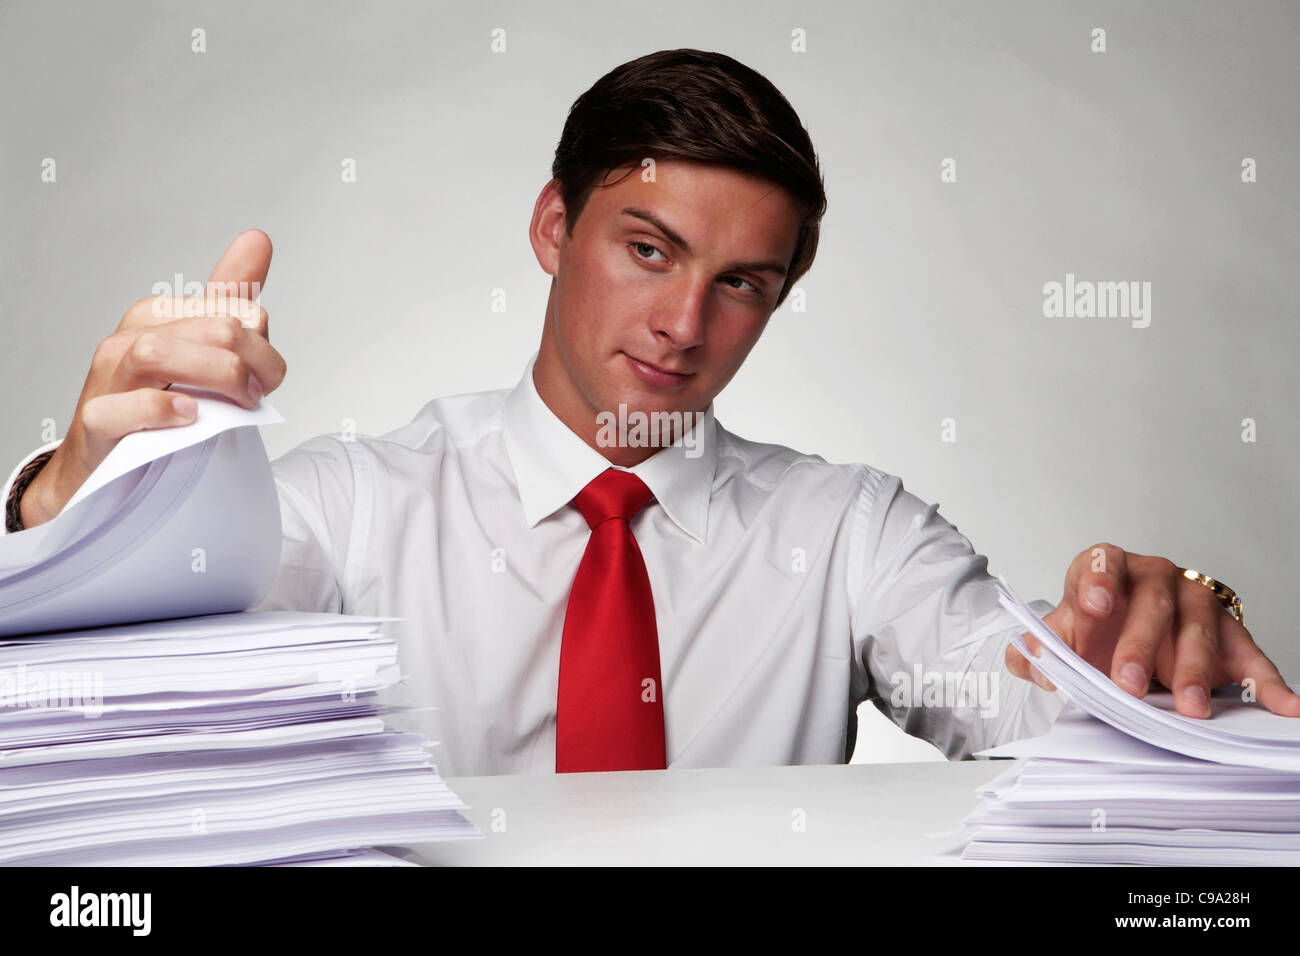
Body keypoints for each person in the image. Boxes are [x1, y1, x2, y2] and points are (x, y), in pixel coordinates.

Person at [5, 49, 1297, 778]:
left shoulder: (850, 534)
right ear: (552, 227)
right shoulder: (355, 506)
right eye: (648, 250)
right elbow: (139, 673)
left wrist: (1143, 657)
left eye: (742, 283)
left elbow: (1036, 704)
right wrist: (68, 513)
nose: (687, 325)